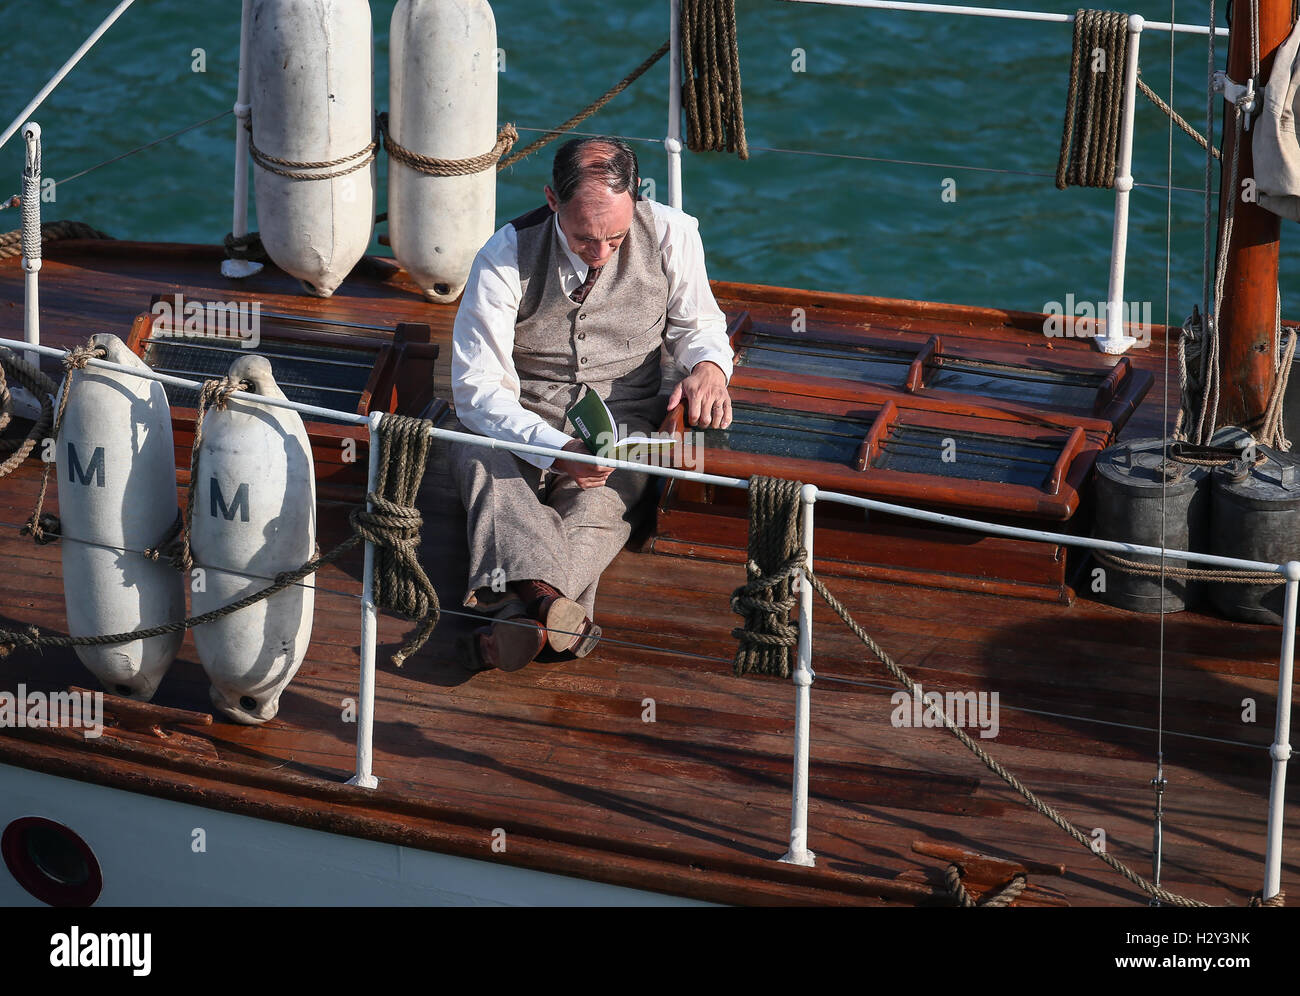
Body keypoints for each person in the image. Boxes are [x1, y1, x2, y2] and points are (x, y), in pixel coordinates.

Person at [449, 136, 734, 672]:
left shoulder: (674, 232)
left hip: (623, 418)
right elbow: (477, 389)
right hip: (520, 415)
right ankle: (548, 611)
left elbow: (701, 325)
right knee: (477, 457)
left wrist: (709, 368)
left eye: (618, 237)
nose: (602, 251)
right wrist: (558, 450)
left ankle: (521, 610)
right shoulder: (503, 254)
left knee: (601, 504)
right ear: (552, 200)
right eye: (585, 238)